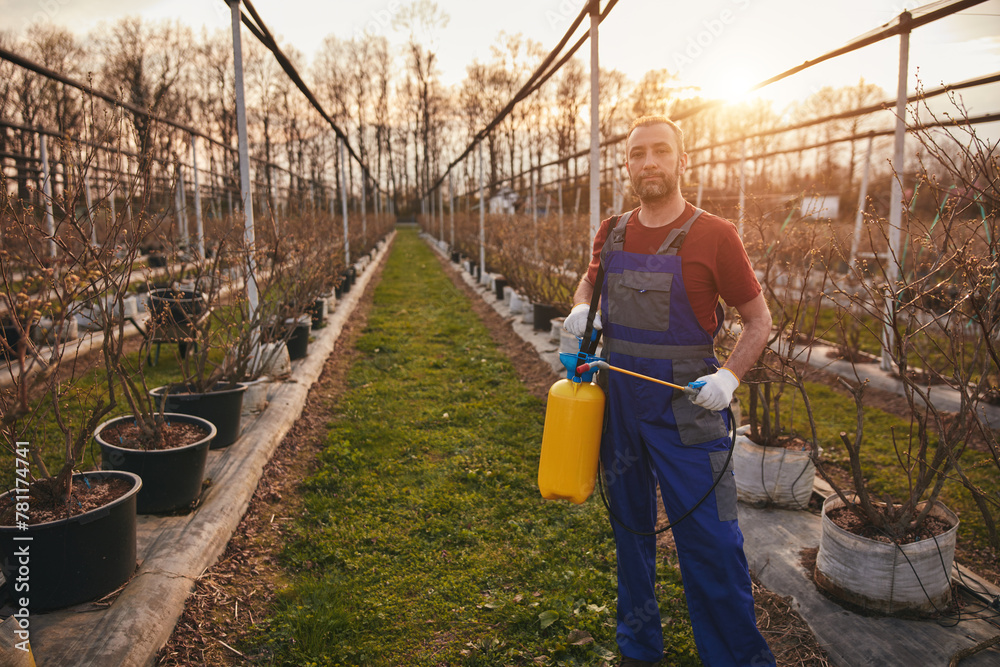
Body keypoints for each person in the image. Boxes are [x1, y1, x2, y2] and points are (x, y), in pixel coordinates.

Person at [563, 115, 775, 667]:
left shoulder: (715, 235)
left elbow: (758, 321)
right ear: (627, 164)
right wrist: (581, 306)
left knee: (713, 542)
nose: (648, 162)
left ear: (684, 161)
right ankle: (639, 646)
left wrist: (728, 378)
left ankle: (735, 658)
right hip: (621, 404)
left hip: (688, 409)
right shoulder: (612, 231)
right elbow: (592, 276)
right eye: (637, 154)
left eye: (661, 152)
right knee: (630, 528)